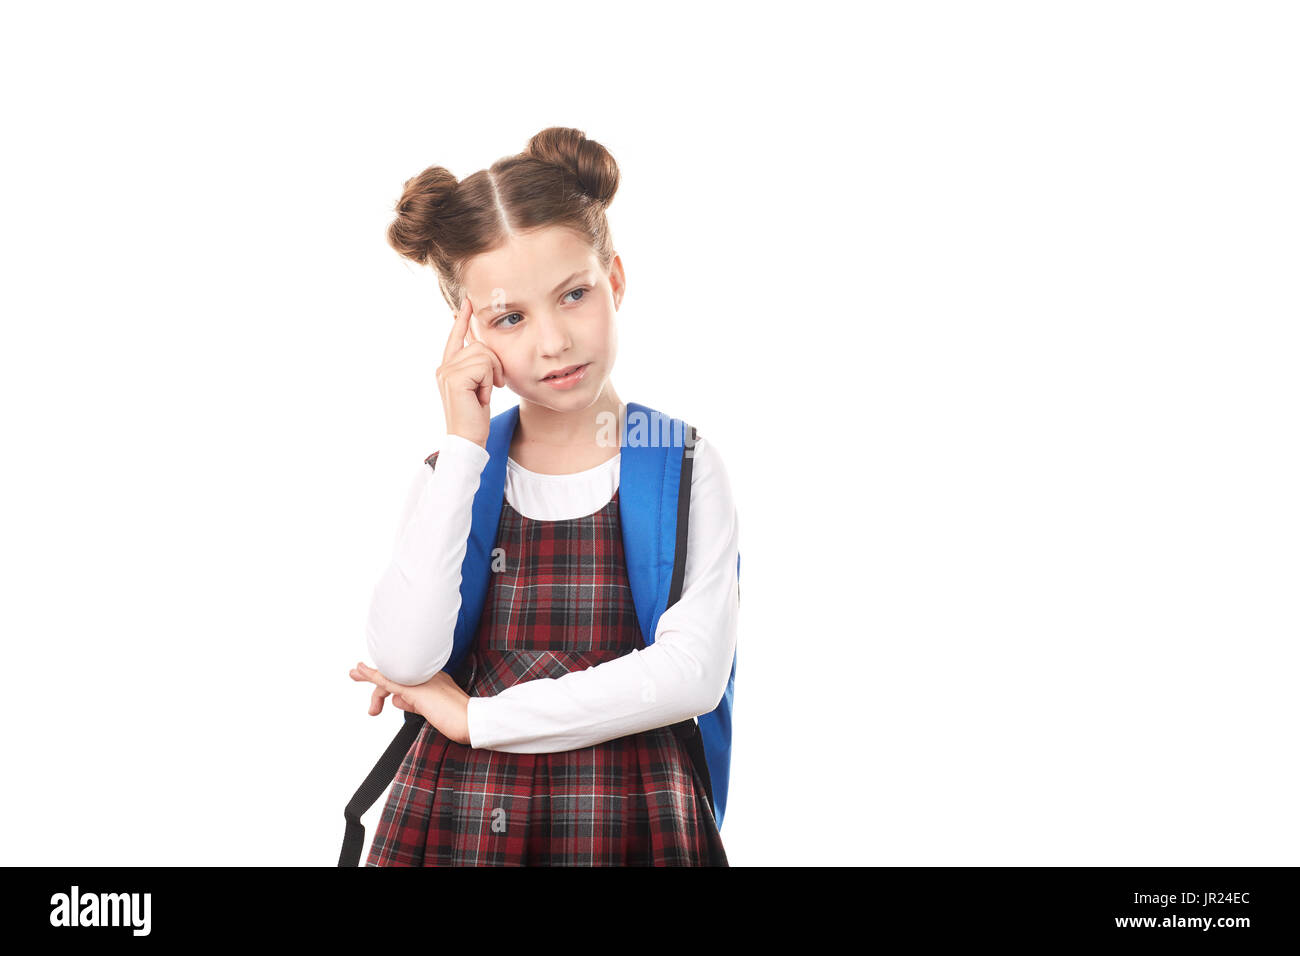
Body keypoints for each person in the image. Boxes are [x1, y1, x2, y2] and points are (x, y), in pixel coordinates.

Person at [348, 127, 740, 866]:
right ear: (467, 334)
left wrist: (476, 718)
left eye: (574, 295)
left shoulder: (682, 463)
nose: (554, 341)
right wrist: (465, 445)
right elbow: (403, 655)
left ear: (615, 280)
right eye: (510, 318)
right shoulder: (452, 473)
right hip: (462, 818)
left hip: (628, 813)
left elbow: (691, 674)